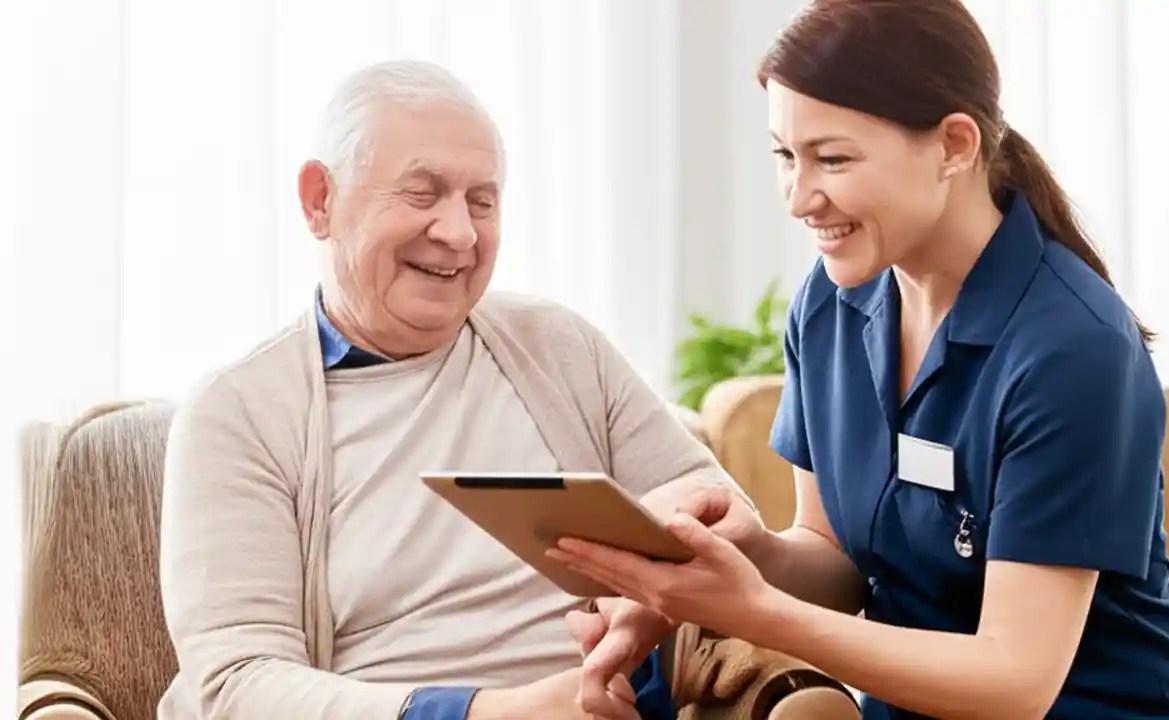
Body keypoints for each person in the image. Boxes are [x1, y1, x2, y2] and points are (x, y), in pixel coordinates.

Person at [549, 1, 1169, 718]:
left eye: (832, 158)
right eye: (785, 155)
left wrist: (750, 610)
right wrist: (747, 557)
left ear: (954, 145)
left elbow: (1015, 680)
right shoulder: (832, 302)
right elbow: (833, 556)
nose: (799, 198)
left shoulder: (1074, 349)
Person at [155, 60, 760, 720]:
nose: (460, 234)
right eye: (422, 195)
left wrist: (695, 526)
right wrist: (497, 711)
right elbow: (237, 683)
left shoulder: (558, 347)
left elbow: (735, 534)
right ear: (318, 200)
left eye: (483, 201)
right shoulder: (238, 413)